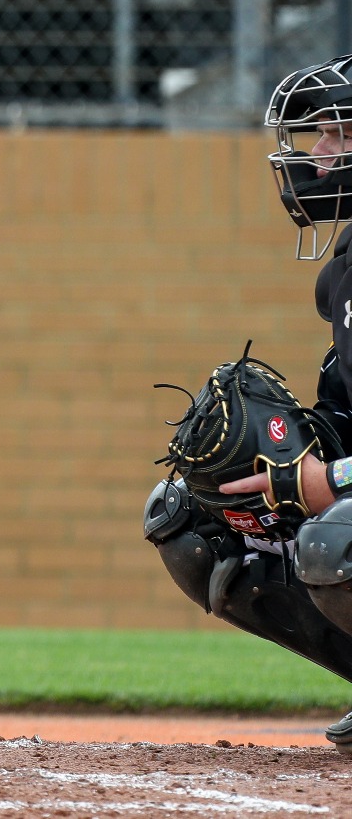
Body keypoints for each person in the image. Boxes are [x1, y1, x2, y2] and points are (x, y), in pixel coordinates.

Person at [144, 54, 352, 751]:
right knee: (192, 516)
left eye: (336, 133)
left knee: (338, 536)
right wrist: (293, 447)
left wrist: (332, 480)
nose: (318, 152)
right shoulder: (346, 268)